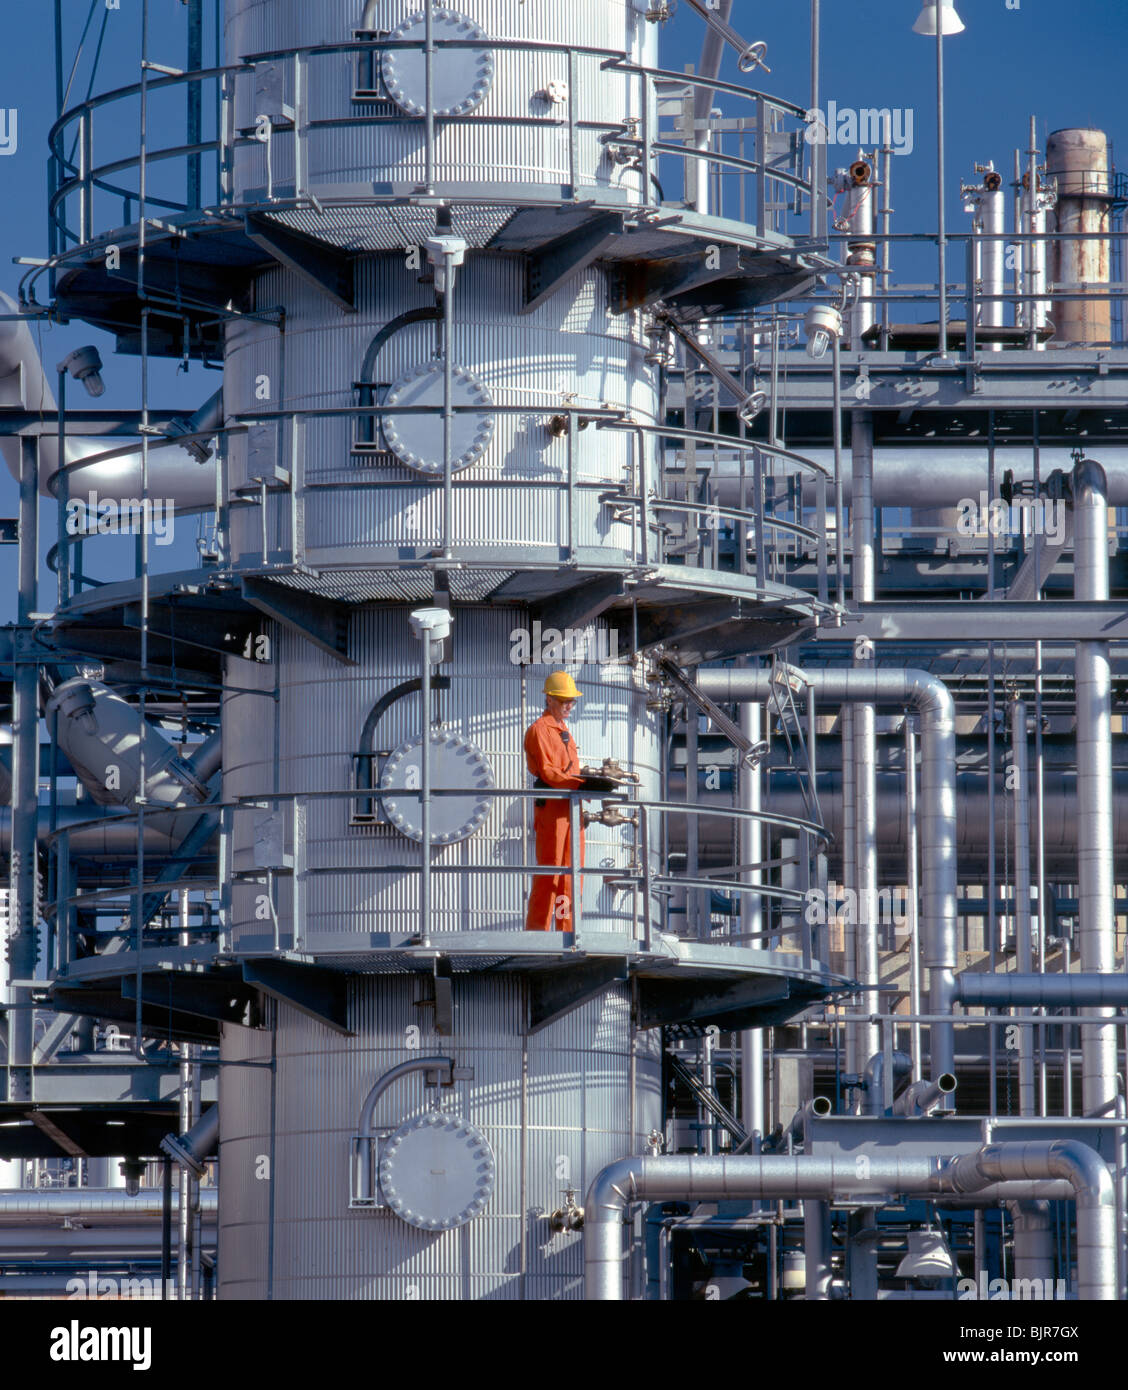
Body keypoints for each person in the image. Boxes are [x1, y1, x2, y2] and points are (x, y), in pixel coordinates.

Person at [523, 671, 617, 931]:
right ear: (550, 700)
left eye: (572, 702)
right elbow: (549, 772)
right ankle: (537, 932)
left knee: (571, 873)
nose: (569, 706)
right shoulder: (539, 730)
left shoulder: (565, 732)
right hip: (553, 806)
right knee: (550, 872)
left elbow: (567, 770)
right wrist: (581, 784)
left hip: (571, 807)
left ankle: (567, 930)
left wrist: (589, 783)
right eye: (565, 701)